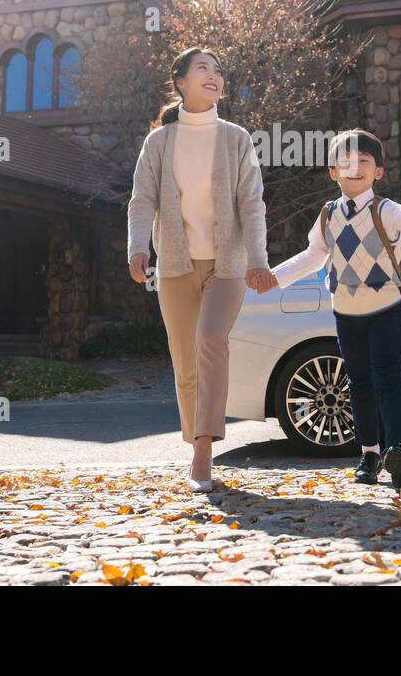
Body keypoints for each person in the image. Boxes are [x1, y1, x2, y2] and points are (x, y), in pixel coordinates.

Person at [266, 129, 401, 489]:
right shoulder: (327, 216)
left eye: (364, 162)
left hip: (385, 308)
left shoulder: (385, 210)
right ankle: (368, 453)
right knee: (358, 383)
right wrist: (273, 278)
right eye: (346, 162)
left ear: (378, 172)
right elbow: (311, 258)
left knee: (388, 378)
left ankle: (397, 449)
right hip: (345, 314)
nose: (355, 168)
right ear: (332, 172)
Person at [126, 48, 272, 492]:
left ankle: (205, 452)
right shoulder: (159, 142)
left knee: (210, 339)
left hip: (227, 264)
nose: (214, 75)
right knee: (185, 362)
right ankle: (195, 442)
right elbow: (142, 199)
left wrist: (258, 259)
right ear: (181, 81)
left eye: (219, 69)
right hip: (175, 264)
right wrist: (137, 248)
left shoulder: (236, 138)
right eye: (203, 68)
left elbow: (252, 202)